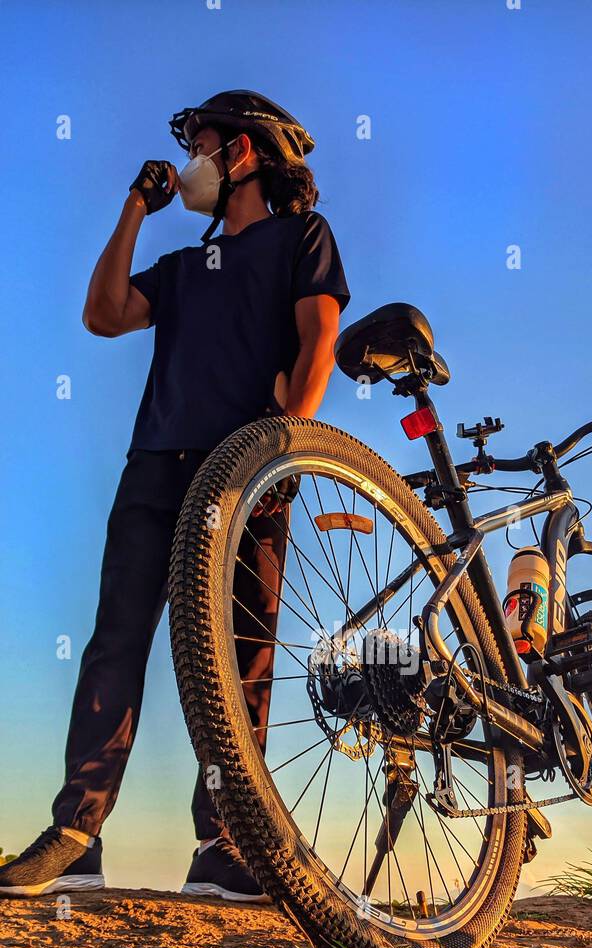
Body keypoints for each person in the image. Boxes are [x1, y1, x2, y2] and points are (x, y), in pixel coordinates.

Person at [0, 90, 351, 902]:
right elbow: (104, 313)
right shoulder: (187, 265)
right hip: (156, 463)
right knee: (115, 640)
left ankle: (224, 846)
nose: (190, 158)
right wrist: (135, 208)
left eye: (202, 143)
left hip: (248, 463)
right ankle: (77, 834)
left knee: (242, 657)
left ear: (246, 153)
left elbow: (318, 339)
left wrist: (280, 443)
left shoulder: (303, 236)